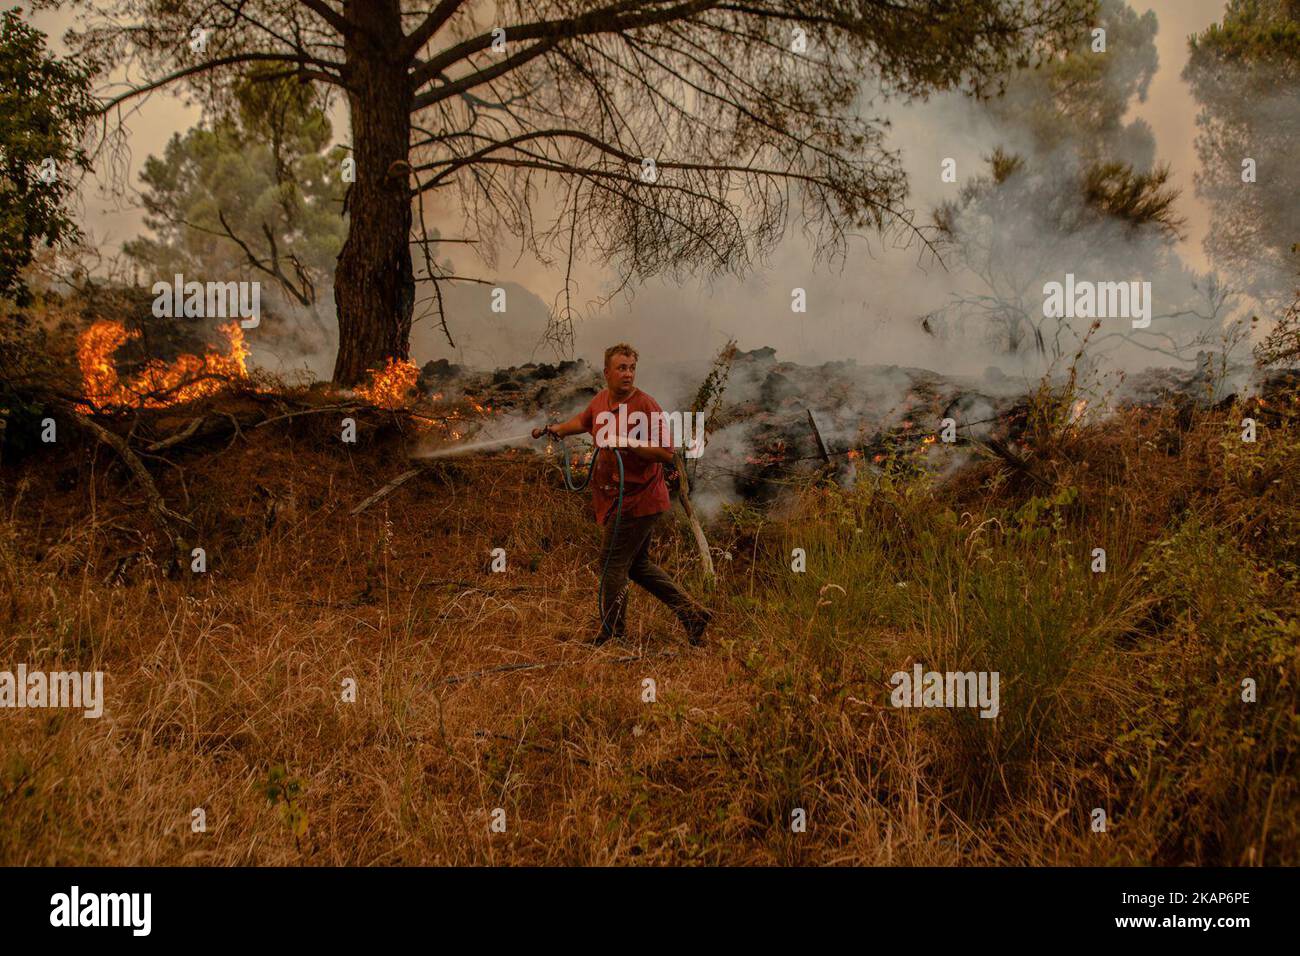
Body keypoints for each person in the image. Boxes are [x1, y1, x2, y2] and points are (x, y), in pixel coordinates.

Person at [532, 343, 712, 646]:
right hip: (616, 496)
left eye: (631, 368)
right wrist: (557, 429)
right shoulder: (601, 400)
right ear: (607, 372)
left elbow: (666, 453)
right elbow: (584, 421)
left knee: (611, 565)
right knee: (637, 566)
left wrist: (627, 442)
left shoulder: (646, 405)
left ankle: (612, 634)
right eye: (621, 368)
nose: (628, 374)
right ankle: (692, 614)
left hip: (640, 499)